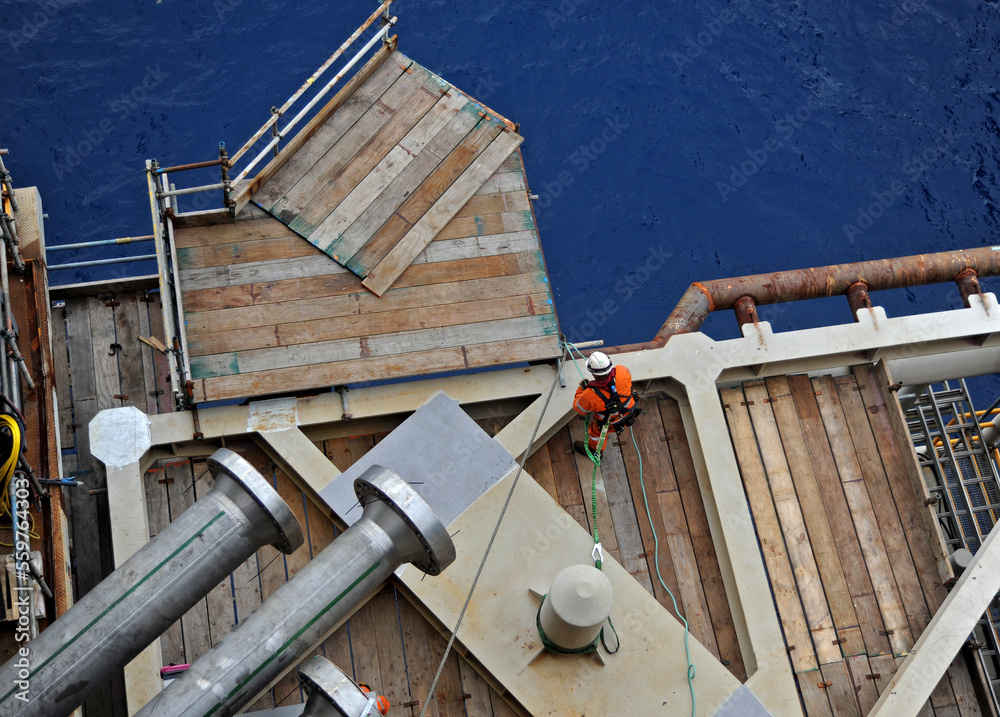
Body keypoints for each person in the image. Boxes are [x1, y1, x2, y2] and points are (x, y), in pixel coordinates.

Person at [572, 351, 641, 457]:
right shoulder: (622, 371)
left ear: (592, 373)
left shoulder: (590, 395)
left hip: (609, 424)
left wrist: (580, 390)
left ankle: (595, 451)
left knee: (596, 435)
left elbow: (580, 409)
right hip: (630, 412)